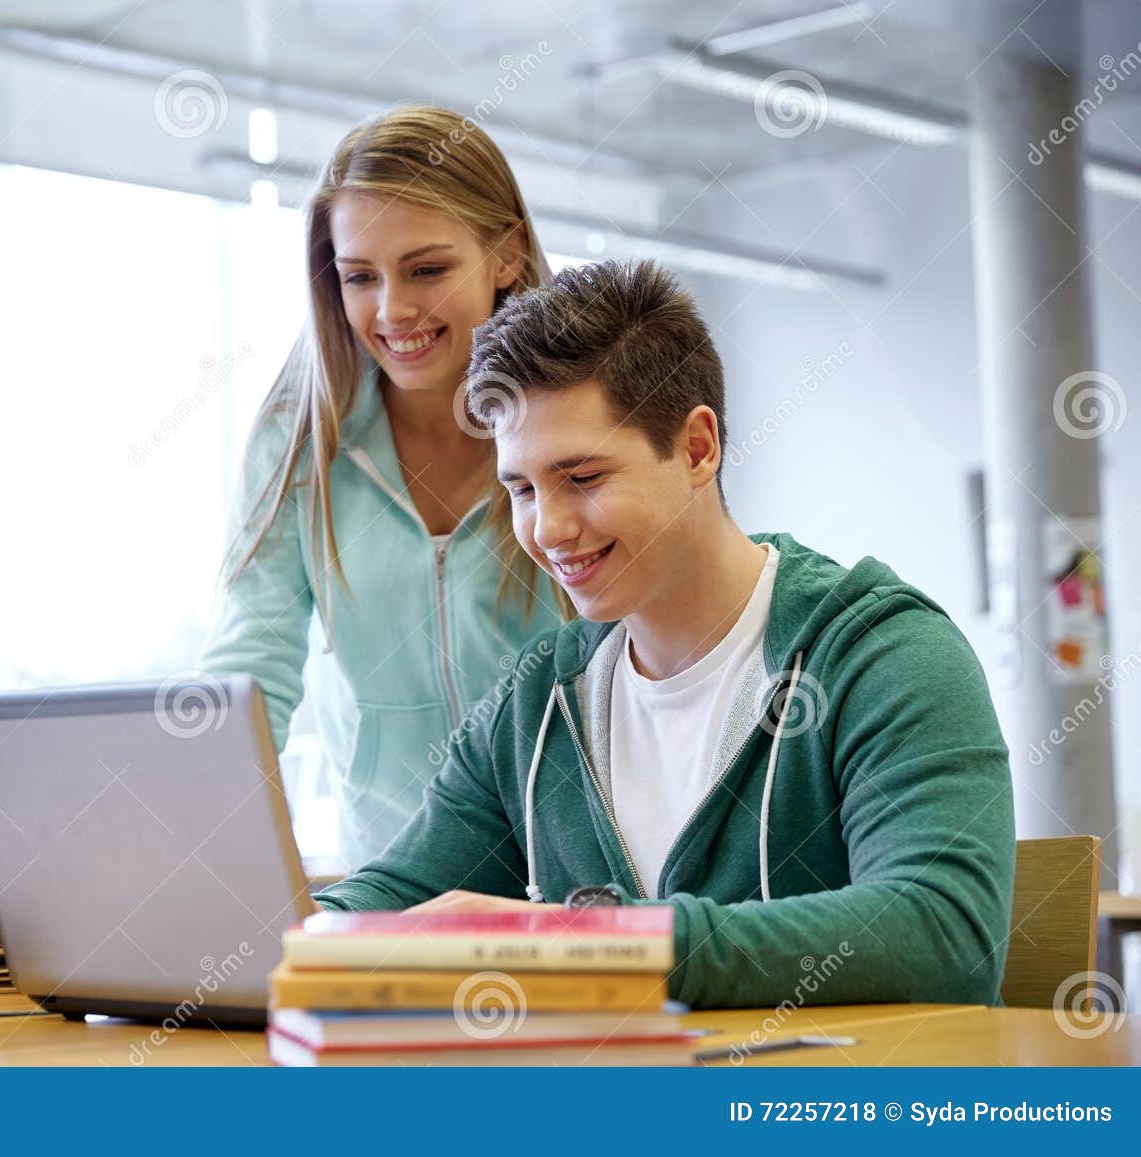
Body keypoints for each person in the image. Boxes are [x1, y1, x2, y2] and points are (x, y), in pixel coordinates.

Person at [315, 260, 1016, 1009]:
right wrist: (285, 942)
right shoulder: (537, 703)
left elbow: (945, 934)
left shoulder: (885, 656)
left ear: (696, 448)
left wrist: (582, 945)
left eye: (582, 477)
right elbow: (392, 897)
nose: (547, 529)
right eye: (521, 488)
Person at [201, 106, 565, 868]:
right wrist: (218, 855)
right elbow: (250, 667)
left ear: (506, 254)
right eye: (360, 276)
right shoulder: (299, 440)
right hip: (391, 878)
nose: (394, 310)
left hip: (575, 874)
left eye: (427, 269)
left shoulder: (574, 423)